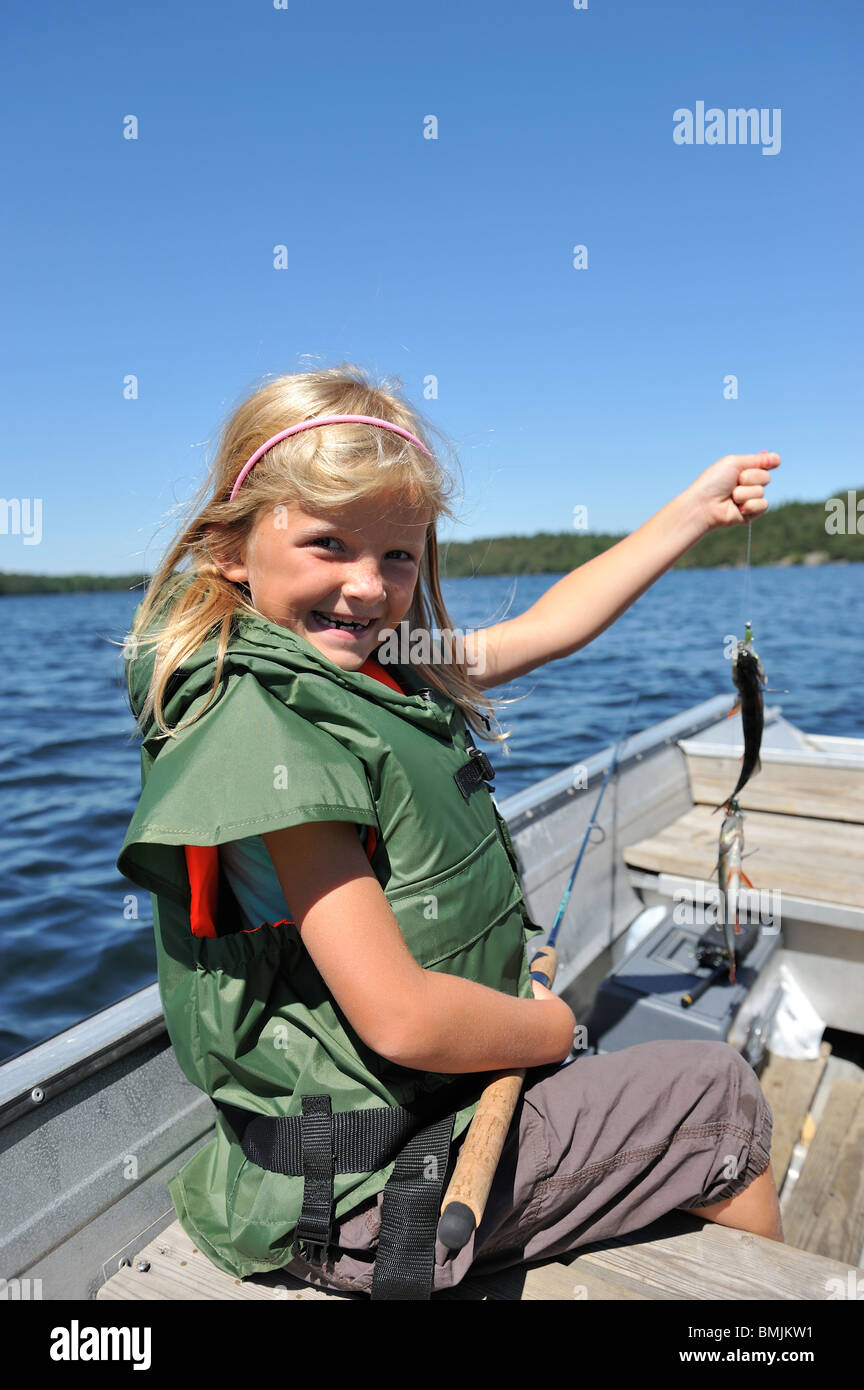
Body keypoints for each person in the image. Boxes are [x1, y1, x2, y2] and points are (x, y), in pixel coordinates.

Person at [116, 363, 783, 1301]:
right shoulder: (270, 742)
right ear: (228, 548)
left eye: (397, 556)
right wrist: (550, 1026)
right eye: (328, 543)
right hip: (371, 1194)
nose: (366, 587)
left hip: (377, 1137)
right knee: (721, 1101)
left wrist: (692, 510)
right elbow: (402, 1016)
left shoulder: (365, 662)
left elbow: (541, 629)